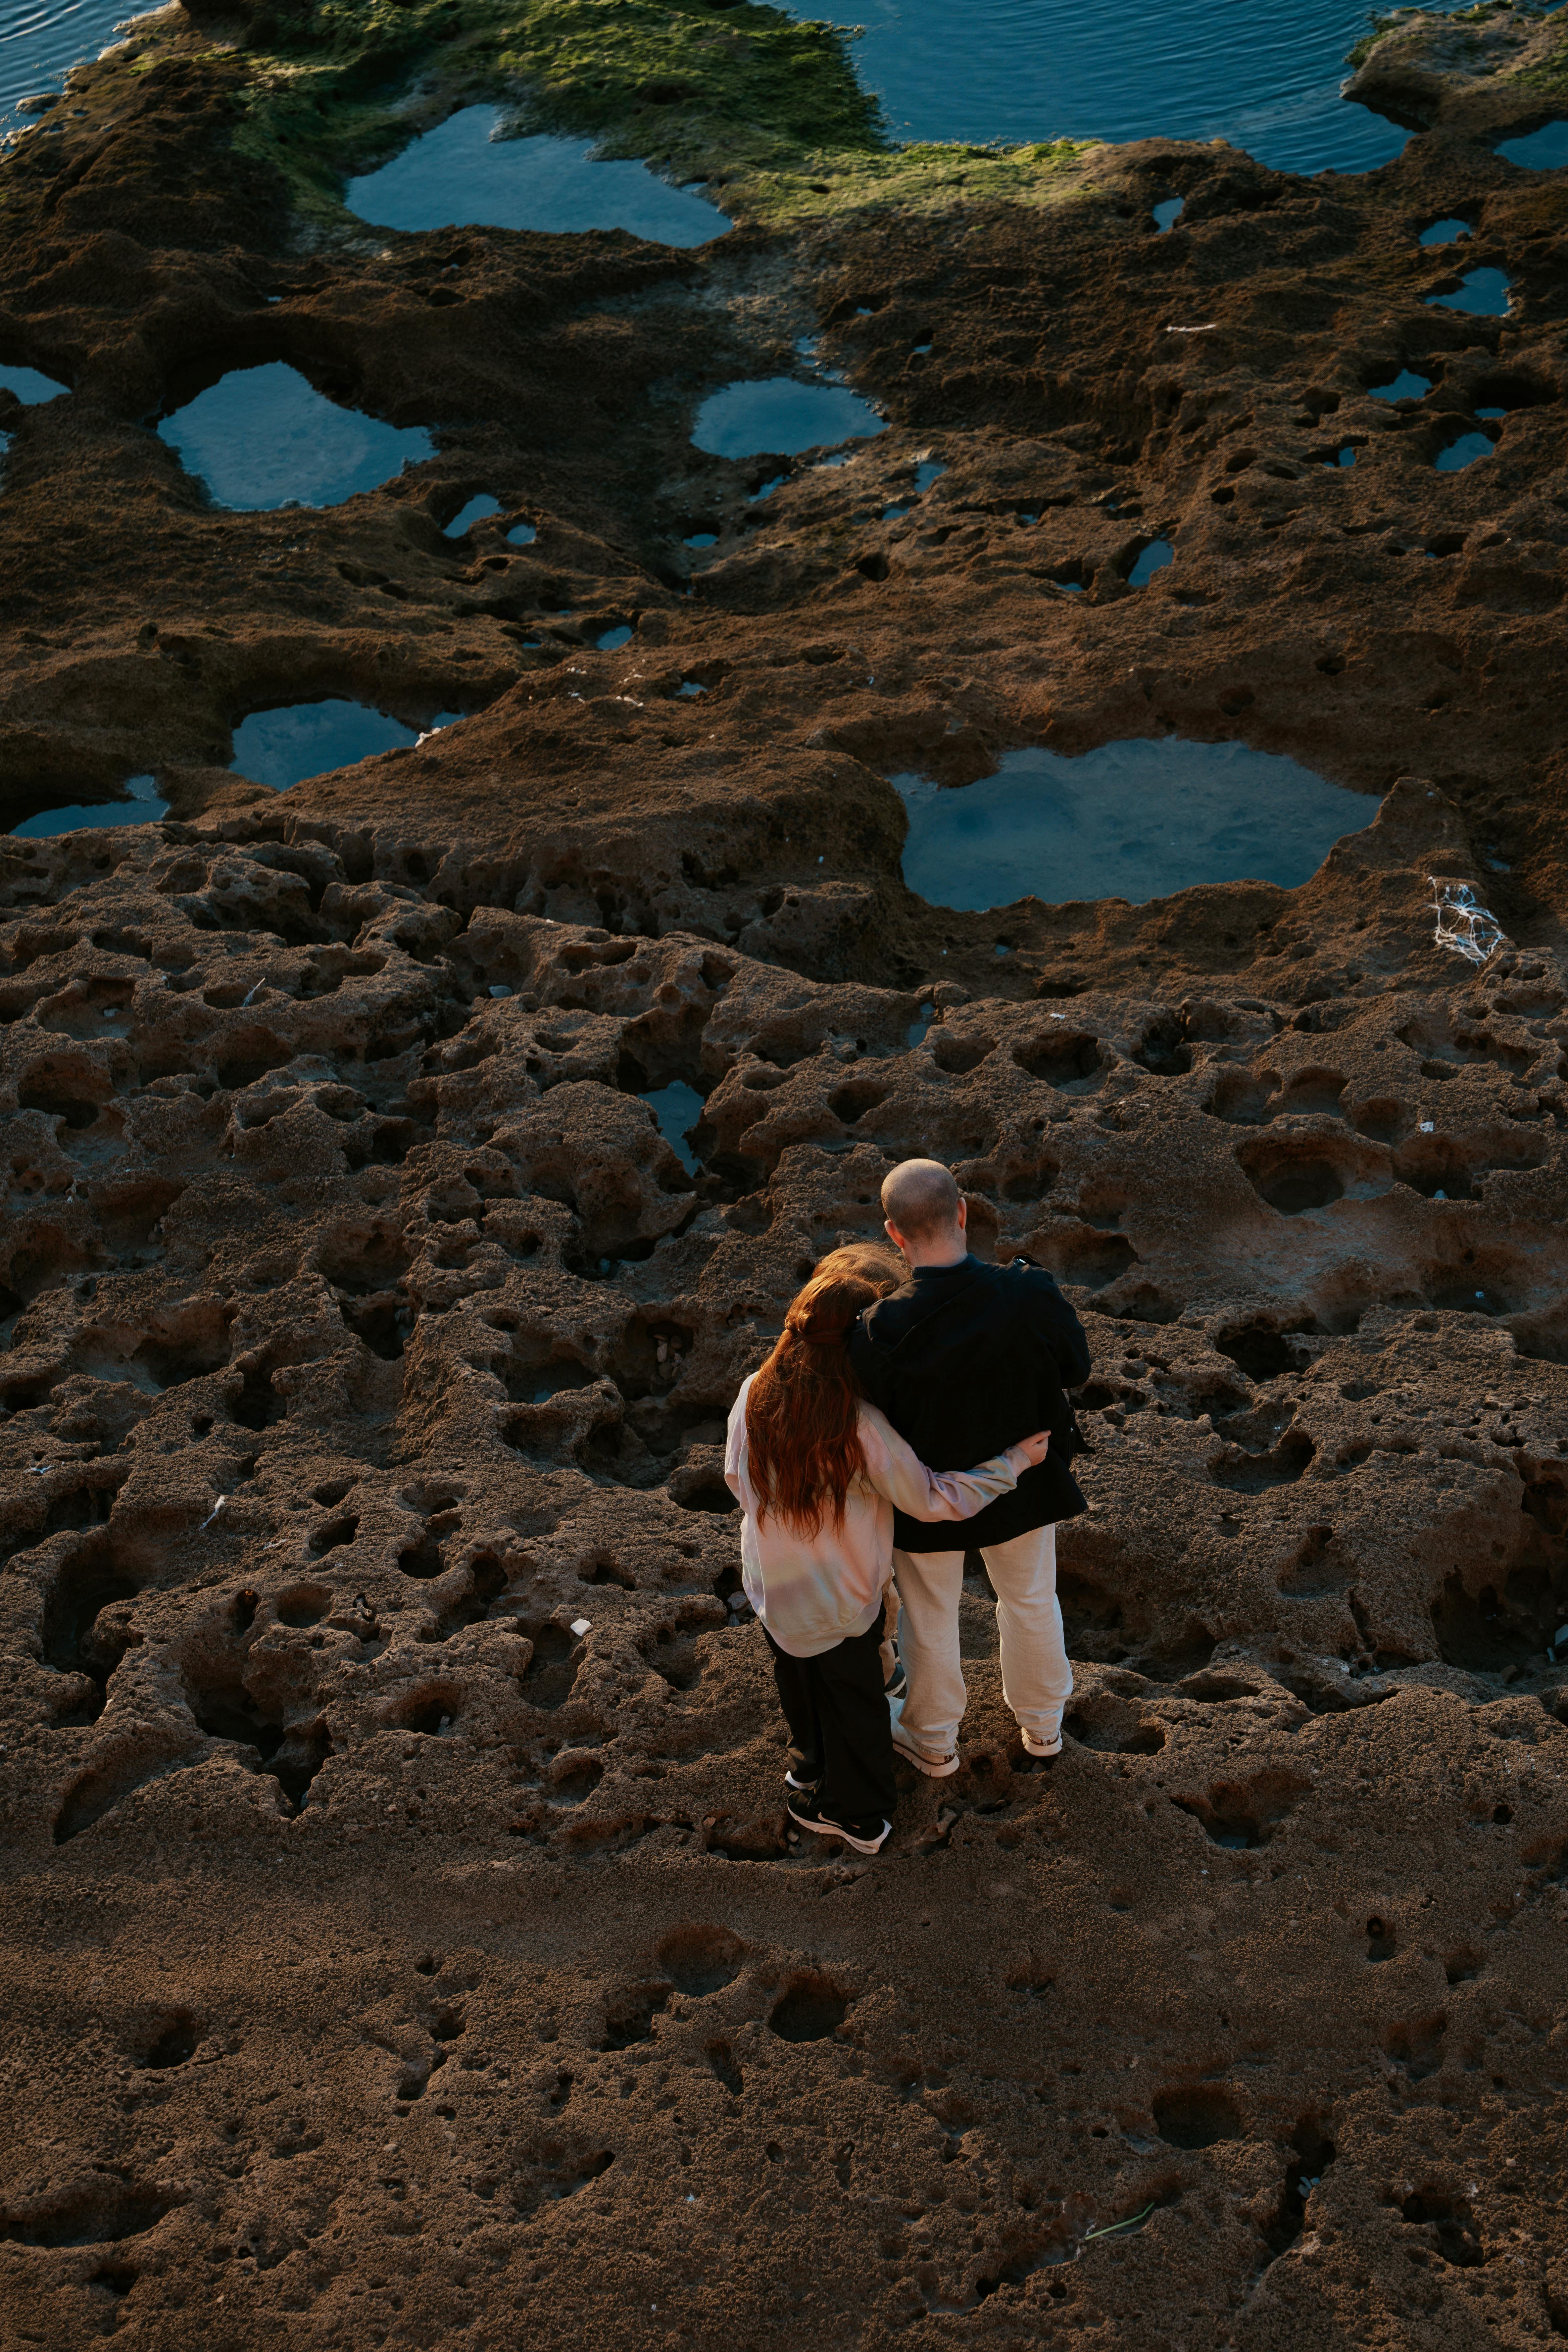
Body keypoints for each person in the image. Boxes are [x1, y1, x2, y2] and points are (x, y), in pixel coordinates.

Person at [724, 1251, 1052, 1856]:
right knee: (858, 1705)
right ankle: (860, 1817)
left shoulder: (753, 1392)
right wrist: (1013, 1464)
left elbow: (736, 1479)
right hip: (843, 1598)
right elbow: (930, 1498)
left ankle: (807, 1763)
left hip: (771, 1584)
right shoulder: (857, 1423)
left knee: (797, 1677)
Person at [847, 1158, 1092, 1779]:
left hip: (927, 1497)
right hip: (1025, 1480)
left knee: (930, 1616)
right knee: (1031, 1600)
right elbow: (1077, 1370)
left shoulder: (878, 1330)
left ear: (894, 1234)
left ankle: (933, 1742)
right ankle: (1042, 1728)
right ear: (962, 1212)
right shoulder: (1029, 1292)